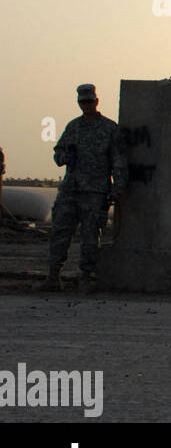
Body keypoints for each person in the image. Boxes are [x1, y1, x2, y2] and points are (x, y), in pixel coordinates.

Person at [35, 84, 128, 293]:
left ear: (96, 102)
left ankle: (86, 277)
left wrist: (118, 187)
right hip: (71, 190)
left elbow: (119, 160)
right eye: (82, 102)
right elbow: (58, 151)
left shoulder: (109, 129)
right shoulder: (73, 127)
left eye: (89, 101)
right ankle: (53, 275)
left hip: (95, 192)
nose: (86, 105)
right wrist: (63, 157)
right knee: (60, 232)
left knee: (90, 237)